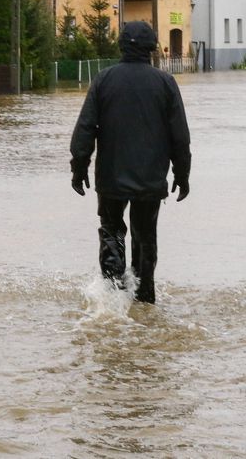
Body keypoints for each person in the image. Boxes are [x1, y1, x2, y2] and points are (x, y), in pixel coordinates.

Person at [70, 21, 191, 304]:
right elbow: (180, 137)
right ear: (151, 49)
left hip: (111, 178)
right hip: (150, 179)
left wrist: (79, 167)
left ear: (121, 46)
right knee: (145, 235)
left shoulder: (103, 80)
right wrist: (182, 175)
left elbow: (85, 128)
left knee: (111, 231)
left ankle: (112, 296)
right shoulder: (165, 83)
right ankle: (144, 296)